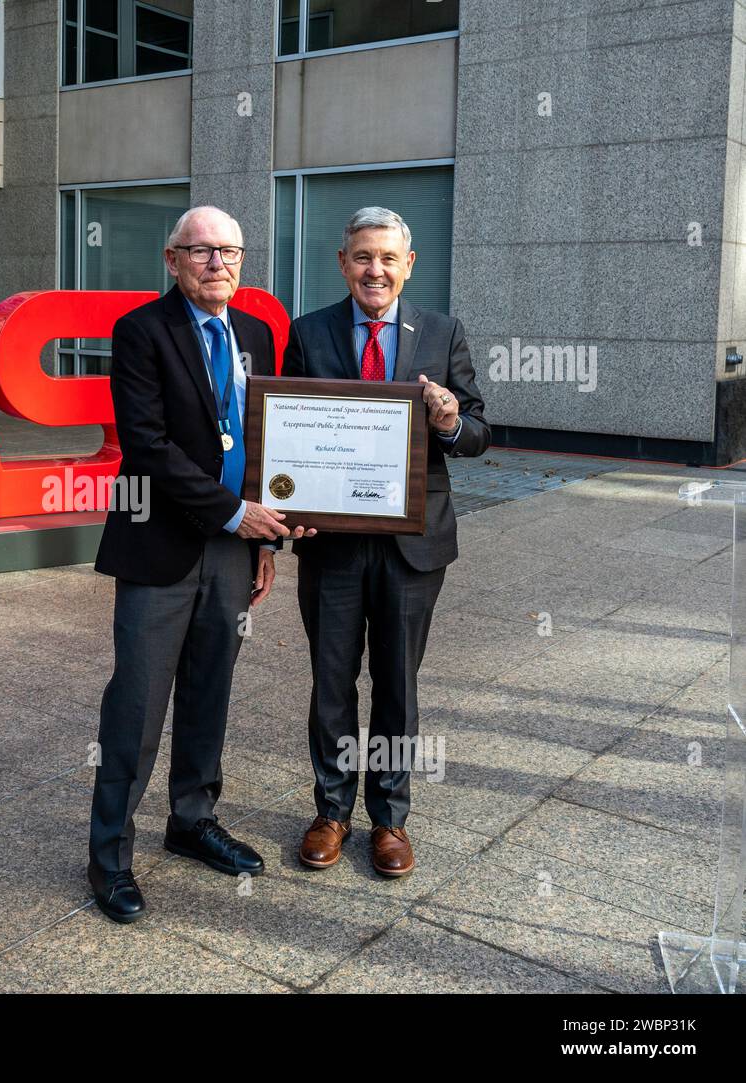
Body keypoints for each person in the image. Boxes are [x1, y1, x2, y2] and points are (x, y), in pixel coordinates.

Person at [86, 205, 305, 923]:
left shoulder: (255, 334)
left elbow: (264, 440)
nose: (219, 263)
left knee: (210, 691)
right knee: (138, 704)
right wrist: (234, 512)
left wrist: (262, 537)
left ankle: (191, 820)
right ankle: (109, 855)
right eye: (202, 250)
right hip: (160, 545)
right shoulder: (141, 333)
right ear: (172, 260)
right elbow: (147, 446)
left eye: (231, 251)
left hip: (233, 550)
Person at [283, 206, 489, 878]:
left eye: (388, 258)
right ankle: (333, 810)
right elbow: (287, 427)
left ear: (409, 265)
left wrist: (453, 418)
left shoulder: (442, 331)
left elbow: (480, 432)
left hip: (414, 545)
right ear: (343, 262)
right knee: (333, 684)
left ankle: (390, 818)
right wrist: (287, 507)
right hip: (333, 544)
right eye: (363, 256)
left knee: (397, 685)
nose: (376, 269)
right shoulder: (307, 332)